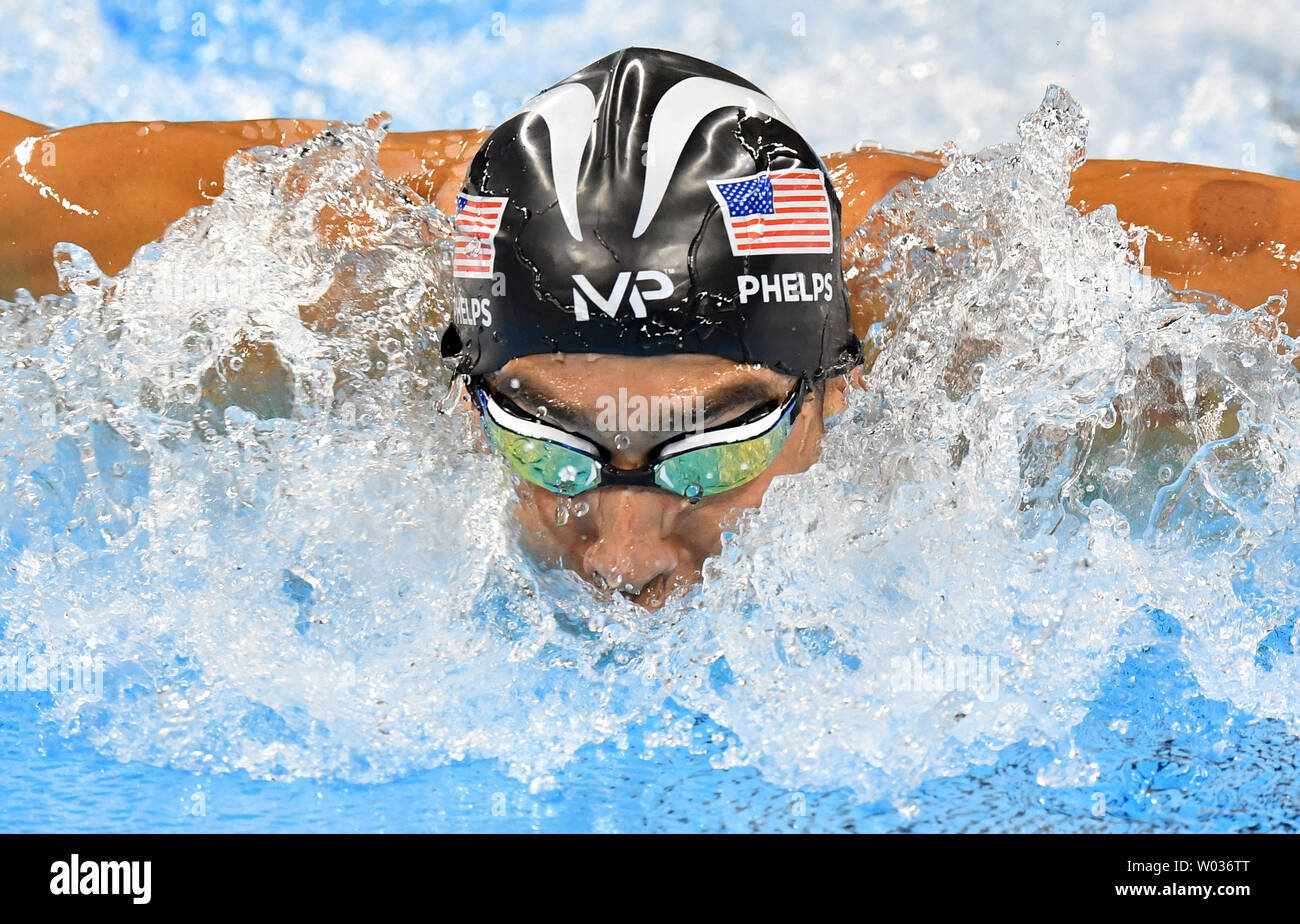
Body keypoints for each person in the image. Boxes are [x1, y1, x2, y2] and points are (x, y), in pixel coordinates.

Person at [3, 47, 1299, 608]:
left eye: (716, 450)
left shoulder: (1038, 321)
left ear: (840, 381)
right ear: (463, 378)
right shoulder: (299, 275)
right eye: (549, 444)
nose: (624, 560)